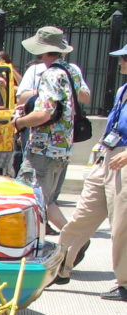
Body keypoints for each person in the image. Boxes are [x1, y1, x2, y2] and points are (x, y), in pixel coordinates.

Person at [45, 44, 127, 299]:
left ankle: (124, 283)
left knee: (122, 226)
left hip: (124, 160)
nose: (121, 62)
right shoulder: (124, 89)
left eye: (124, 58)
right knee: (81, 217)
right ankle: (60, 267)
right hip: (107, 159)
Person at [11, 27, 79, 232]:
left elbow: (44, 114)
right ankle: (74, 241)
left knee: (30, 200)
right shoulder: (71, 71)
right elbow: (78, 99)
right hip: (62, 147)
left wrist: (19, 123)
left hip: (44, 148)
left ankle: (73, 243)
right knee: (46, 201)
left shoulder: (50, 74)